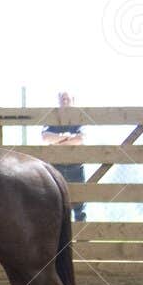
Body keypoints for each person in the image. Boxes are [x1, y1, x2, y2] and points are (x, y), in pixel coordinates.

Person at [43, 90, 88, 222]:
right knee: (57, 204)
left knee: (79, 206)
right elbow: (46, 137)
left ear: (73, 101)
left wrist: (58, 140)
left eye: (68, 99)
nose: (65, 102)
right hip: (56, 167)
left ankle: (83, 239)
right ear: (58, 102)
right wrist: (67, 138)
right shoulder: (53, 118)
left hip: (76, 167)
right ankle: (61, 241)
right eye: (63, 99)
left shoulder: (78, 119)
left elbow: (81, 138)